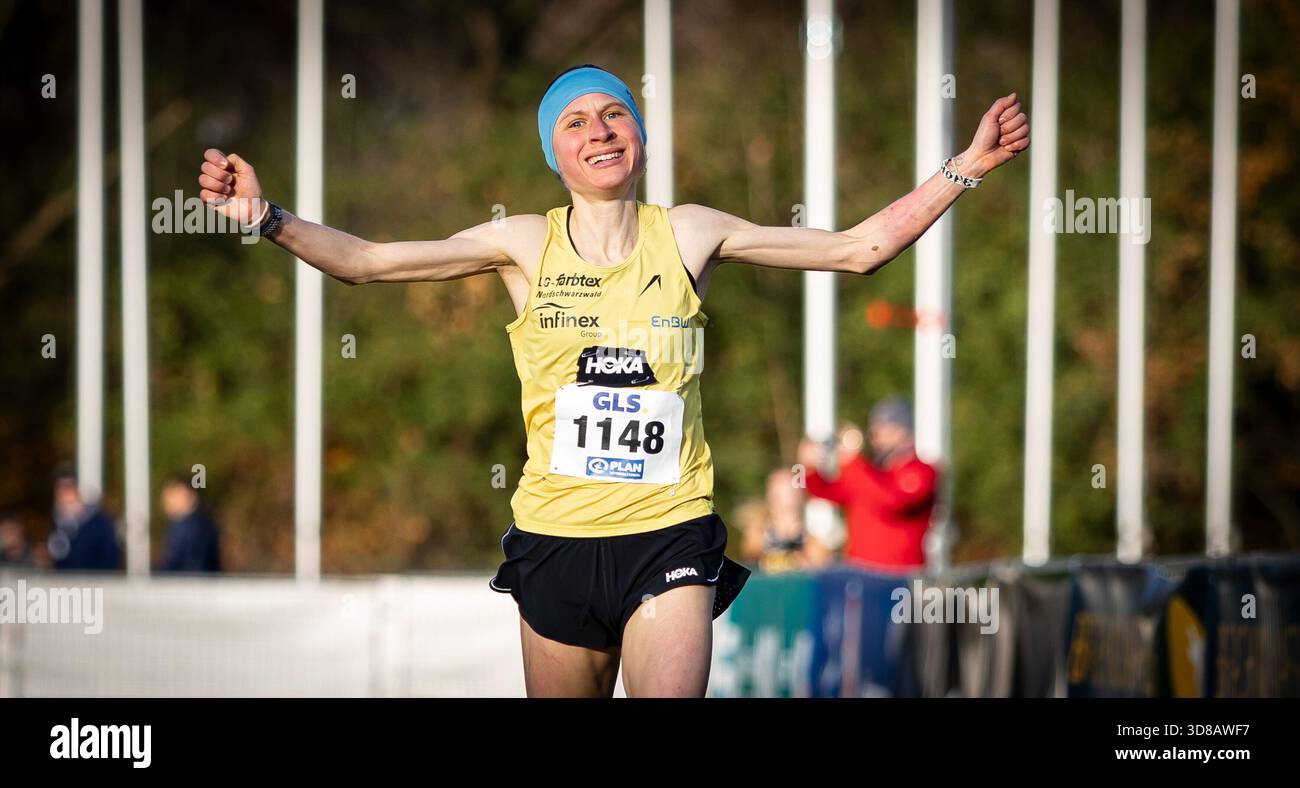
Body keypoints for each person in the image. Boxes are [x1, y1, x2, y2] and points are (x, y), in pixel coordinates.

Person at [196, 64, 1028, 697]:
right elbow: (370, 263)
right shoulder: (524, 243)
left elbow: (857, 249)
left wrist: (967, 165)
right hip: (556, 538)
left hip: (670, 532)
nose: (598, 130)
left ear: (640, 136)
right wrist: (267, 218)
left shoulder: (691, 233)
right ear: (554, 154)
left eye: (614, 113)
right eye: (574, 121)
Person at [797, 398, 937, 572]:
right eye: (875, 431)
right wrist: (804, 467)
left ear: (906, 433)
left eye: (885, 430)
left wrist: (852, 461)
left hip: (901, 578)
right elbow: (814, 491)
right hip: (860, 575)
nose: (877, 438)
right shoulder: (867, 475)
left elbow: (892, 501)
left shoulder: (923, 471)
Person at [738, 468, 833, 573]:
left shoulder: (811, 539)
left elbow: (821, 564)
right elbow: (750, 558)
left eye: (792, 492)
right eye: (781, 492)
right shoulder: (758, 534)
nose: (789, 499)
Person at [47, 464, 120, 571]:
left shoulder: (99, 523)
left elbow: (110, 559)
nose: (64, 492)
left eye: (68, 486)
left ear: (77, 489)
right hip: (64, 581)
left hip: (94, 580)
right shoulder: (56, 523)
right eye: (59, 487)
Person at [157, 475, 222, 573]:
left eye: (174, 495)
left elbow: (177, 564)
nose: (169, 501)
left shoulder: (190, 527)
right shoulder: (203, 523)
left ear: (190, 495)